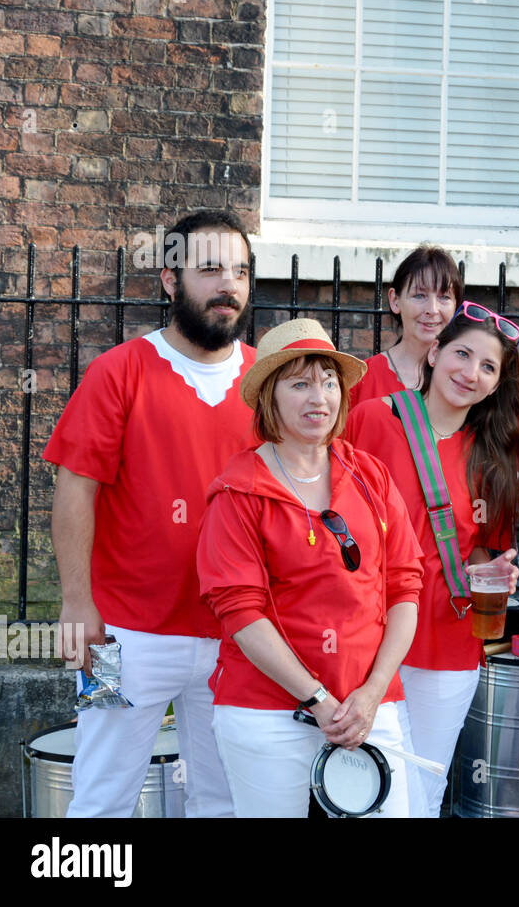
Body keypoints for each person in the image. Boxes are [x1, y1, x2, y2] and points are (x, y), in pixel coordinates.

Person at [44, 209, 256, 818]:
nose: (229, 284)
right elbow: (75, 489)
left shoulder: (269, 382)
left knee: (224, 800)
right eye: (211, 267)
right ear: (169, 279)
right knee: (101, 794)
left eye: (240, 270)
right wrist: (77, 604)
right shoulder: (119, 370)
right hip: (119, 636)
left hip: (235, 636)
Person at [196, 319, 425, 818]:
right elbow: (240, 613)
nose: (317, 397)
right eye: (299, 383)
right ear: (269, 400)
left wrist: (369, 693)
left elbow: (405, 588)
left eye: (327, 382)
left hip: (370, 706)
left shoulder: (371, 476)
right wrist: (319, 699)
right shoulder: (237, 492)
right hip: (266, 712)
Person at [347, 304, 519, 817]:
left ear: (495, 385)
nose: (471, 373)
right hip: (370, 635)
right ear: (434, 351)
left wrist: (495, 572)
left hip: (448, 640)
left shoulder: (492, 453)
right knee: (366, 791)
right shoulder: (373, 418)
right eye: (463, 354)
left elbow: (483, 549)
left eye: (488, 367)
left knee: (423, 790)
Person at [350, 245, 465, 406]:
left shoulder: (466, 381)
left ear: (456, 306)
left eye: (444, 297)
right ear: (395, 301)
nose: (432, 310)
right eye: (419, 295)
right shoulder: (361, 380)